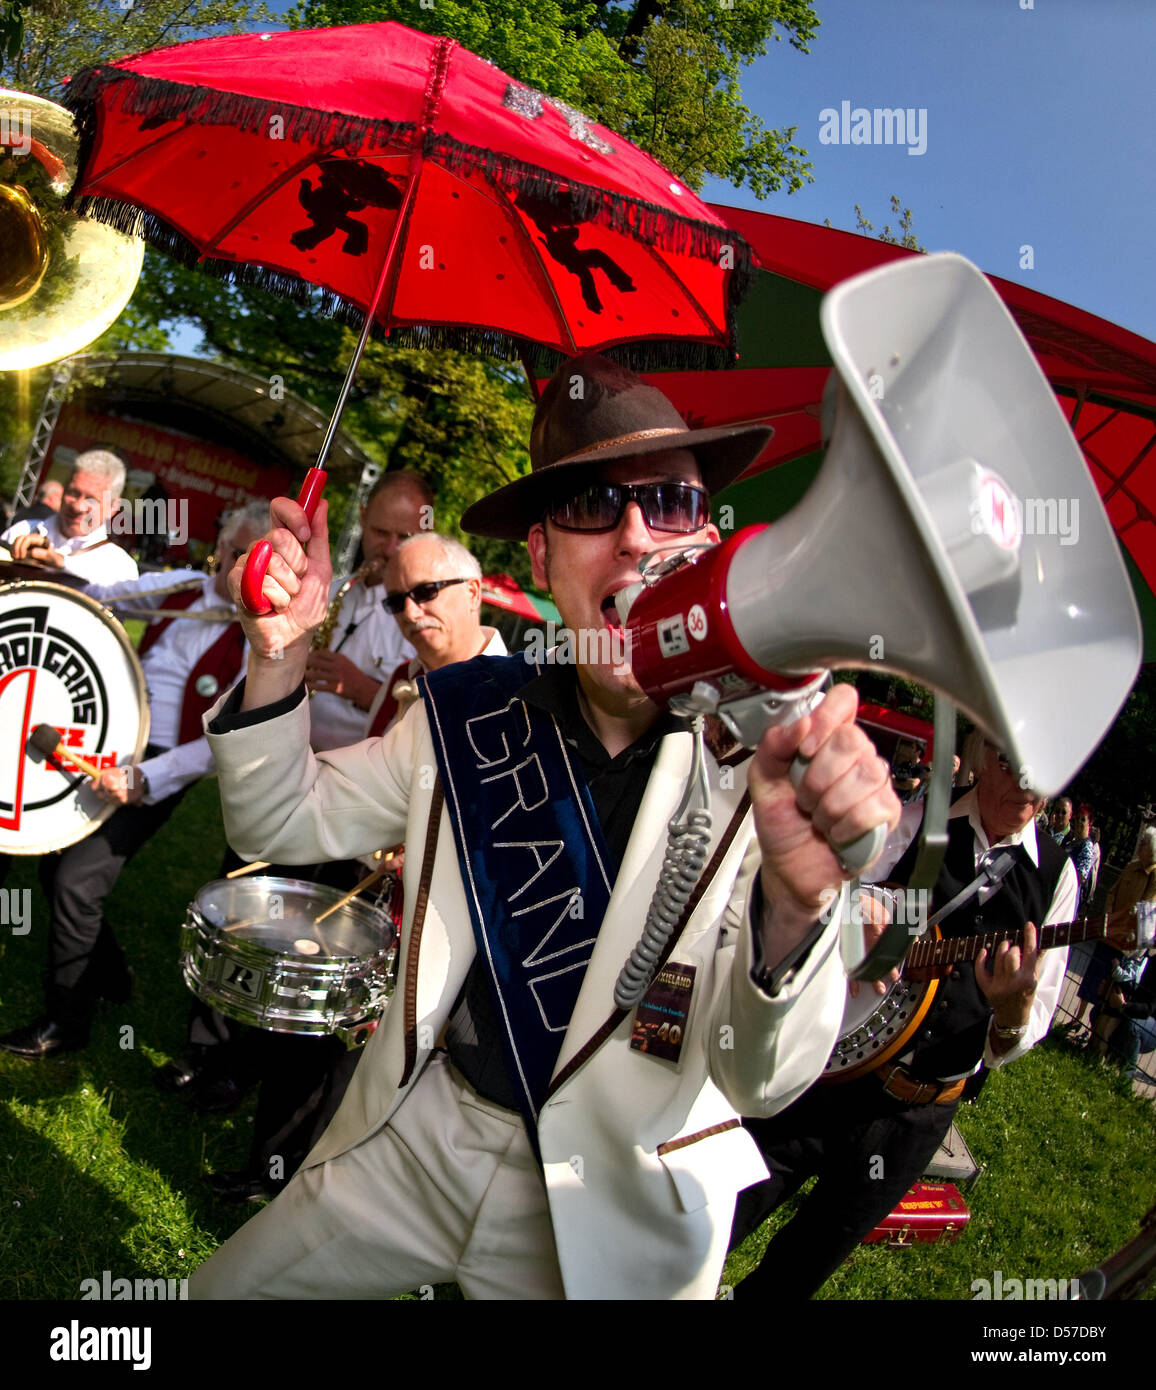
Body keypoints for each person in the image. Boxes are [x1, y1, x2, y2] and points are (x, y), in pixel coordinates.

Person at [190, 353, 899, 1300]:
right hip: (414, 1138)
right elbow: (276, 815)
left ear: (705, 539)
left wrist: (799, 906)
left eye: (671, 505)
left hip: (612, 1209)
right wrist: (280, 653)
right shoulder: (467, 715)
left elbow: (761, 1081)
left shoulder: (764, 774)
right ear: (538, 557)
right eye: (594, 506)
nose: (638, 538)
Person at [206, 531, 508, 1204]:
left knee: (365, 1074)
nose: (410, 613)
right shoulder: (407, 683)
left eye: (426, 593)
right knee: (307, 1034)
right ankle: (272, 1174)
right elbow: (344, 796)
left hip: (446, 951)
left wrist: (428, 840)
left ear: (477, 592)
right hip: (361, 885)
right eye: (399, 600)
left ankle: (316, 1195)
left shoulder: (523, 700)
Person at [730, 740, 1078, 1299]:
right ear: (983, 754)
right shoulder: (918, 819)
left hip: (919, 1116)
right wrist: (856, 913)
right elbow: (818, 894)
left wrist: (1010, 1016)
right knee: (722, 1214)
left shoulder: (1056, 879)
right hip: (830, 1074)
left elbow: (1027, 1023)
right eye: (1016, 764)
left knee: (800, 1271)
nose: (1030, 787)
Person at [0, 503, 267, 1058]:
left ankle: (66, 1024)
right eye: (230, 550)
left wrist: (146, 776)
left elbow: (223, 740)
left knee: (77, 880)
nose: (233, 566)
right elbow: (115, 590)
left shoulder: (261, 636)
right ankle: (111, 977)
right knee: (58, 864)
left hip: (158, 767)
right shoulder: (187, 585)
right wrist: (50, 571)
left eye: (250, 556)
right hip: (115, 738)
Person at [304, 470, 431, 751]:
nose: (389, 549)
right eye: (380, 532)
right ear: (363, 517)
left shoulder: (430, 619)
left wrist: (364, 689)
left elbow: (431, 721)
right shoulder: (332, 592)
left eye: (405, 536)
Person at [1, 450, 138, 584]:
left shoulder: (121, 568)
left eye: (91, 500)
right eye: (73, 493)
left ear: (113, 507)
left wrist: (62, 564)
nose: (77, 506)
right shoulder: (21, 531)